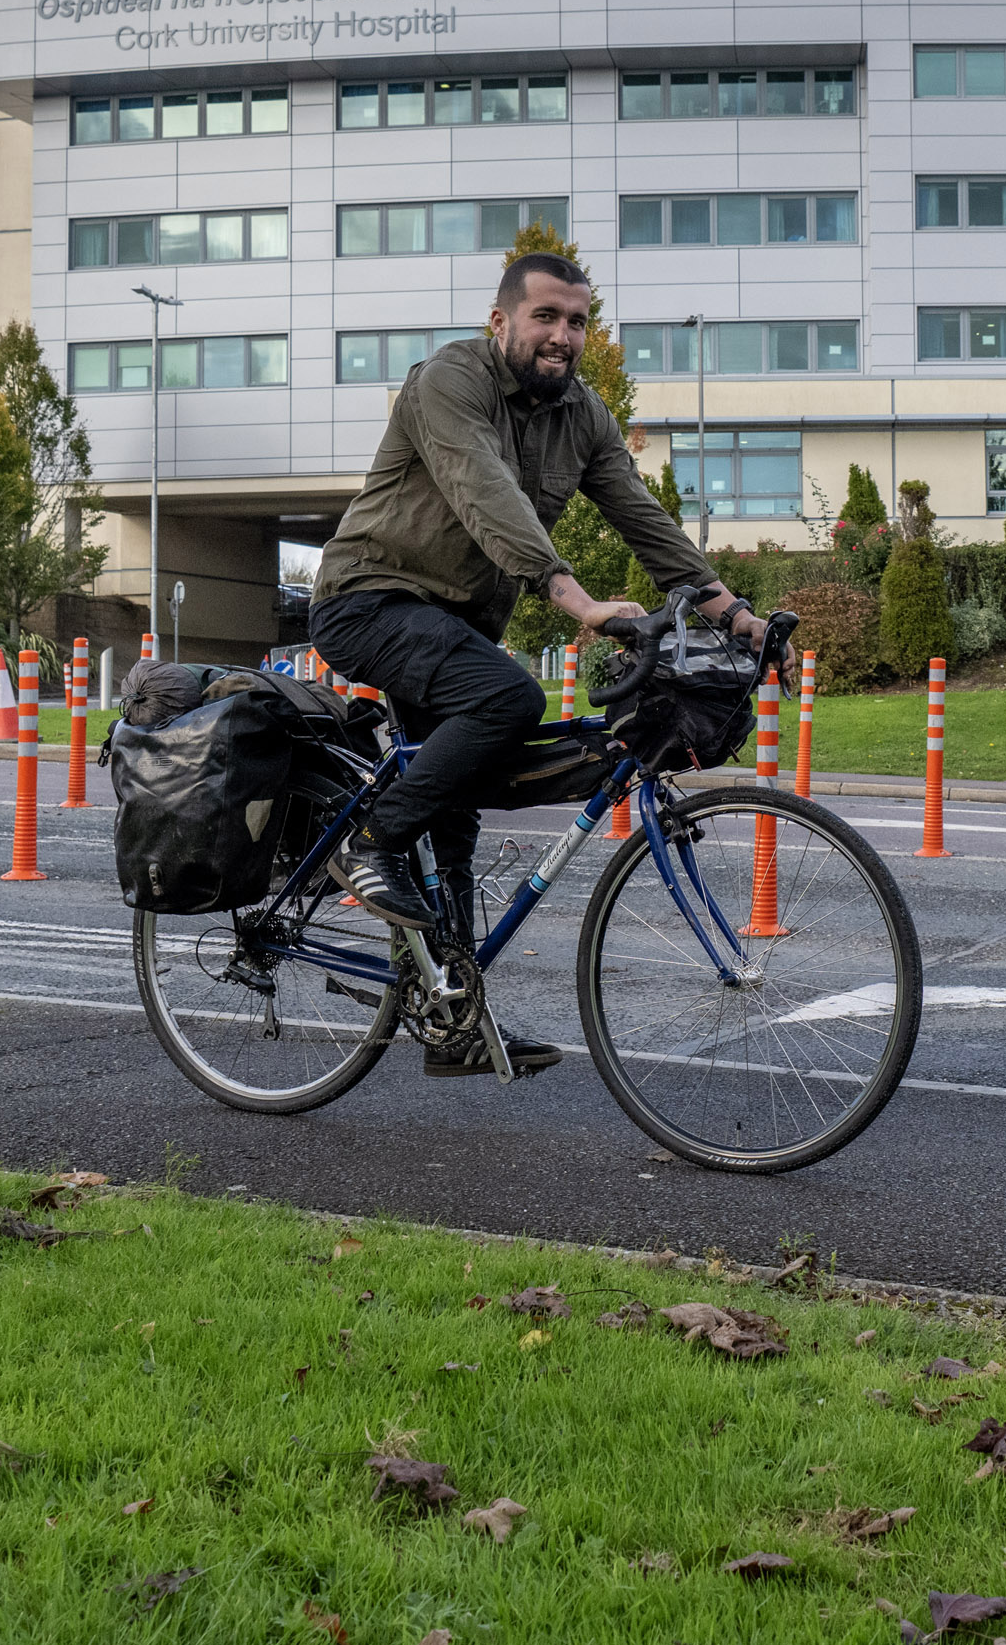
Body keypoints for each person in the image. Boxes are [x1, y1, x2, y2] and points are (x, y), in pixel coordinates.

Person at [307, 250, 763, 1074]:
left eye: (577, 321)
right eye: (545, 316)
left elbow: (641, 515)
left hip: (453, 626)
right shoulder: (449, 381)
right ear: (500, 320)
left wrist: (735, 615)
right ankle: (371, 843)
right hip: (368, 599)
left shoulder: (582, 416)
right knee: (511, 699)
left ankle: (450, 1019)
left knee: (457, 820)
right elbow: (485, 490)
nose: (563, 335)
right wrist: (575, 598)